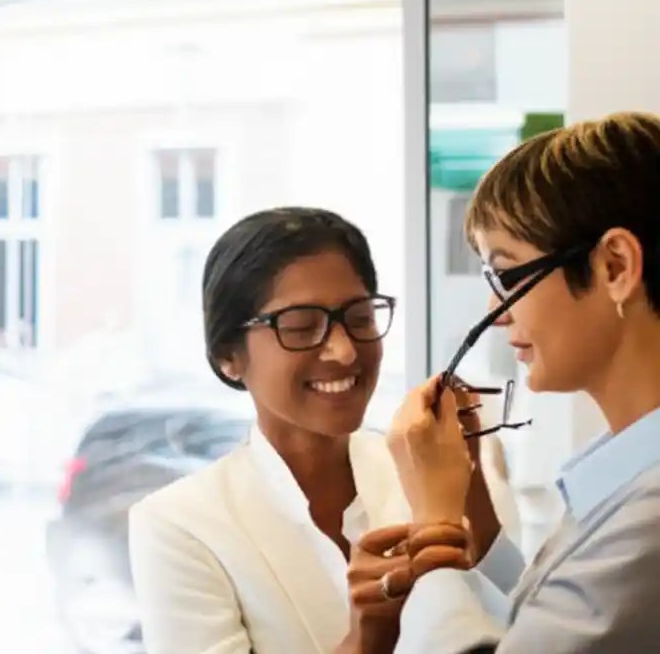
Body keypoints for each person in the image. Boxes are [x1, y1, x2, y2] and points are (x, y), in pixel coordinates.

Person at [127, 207, 520, 654]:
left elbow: (523, 620)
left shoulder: (424, 466)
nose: (344, 352)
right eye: (300, 327)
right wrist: (365, 638)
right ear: (228, 355)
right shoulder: (179, 524)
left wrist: (468, 486)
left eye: (359, 319)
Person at [368, 111, 660, 653]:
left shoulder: (651, 516)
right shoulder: (628, 480)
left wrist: (435, 528)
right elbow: (549, 617)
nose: (495, 312)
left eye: (506, 275)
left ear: (616, 266)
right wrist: (472, 510)